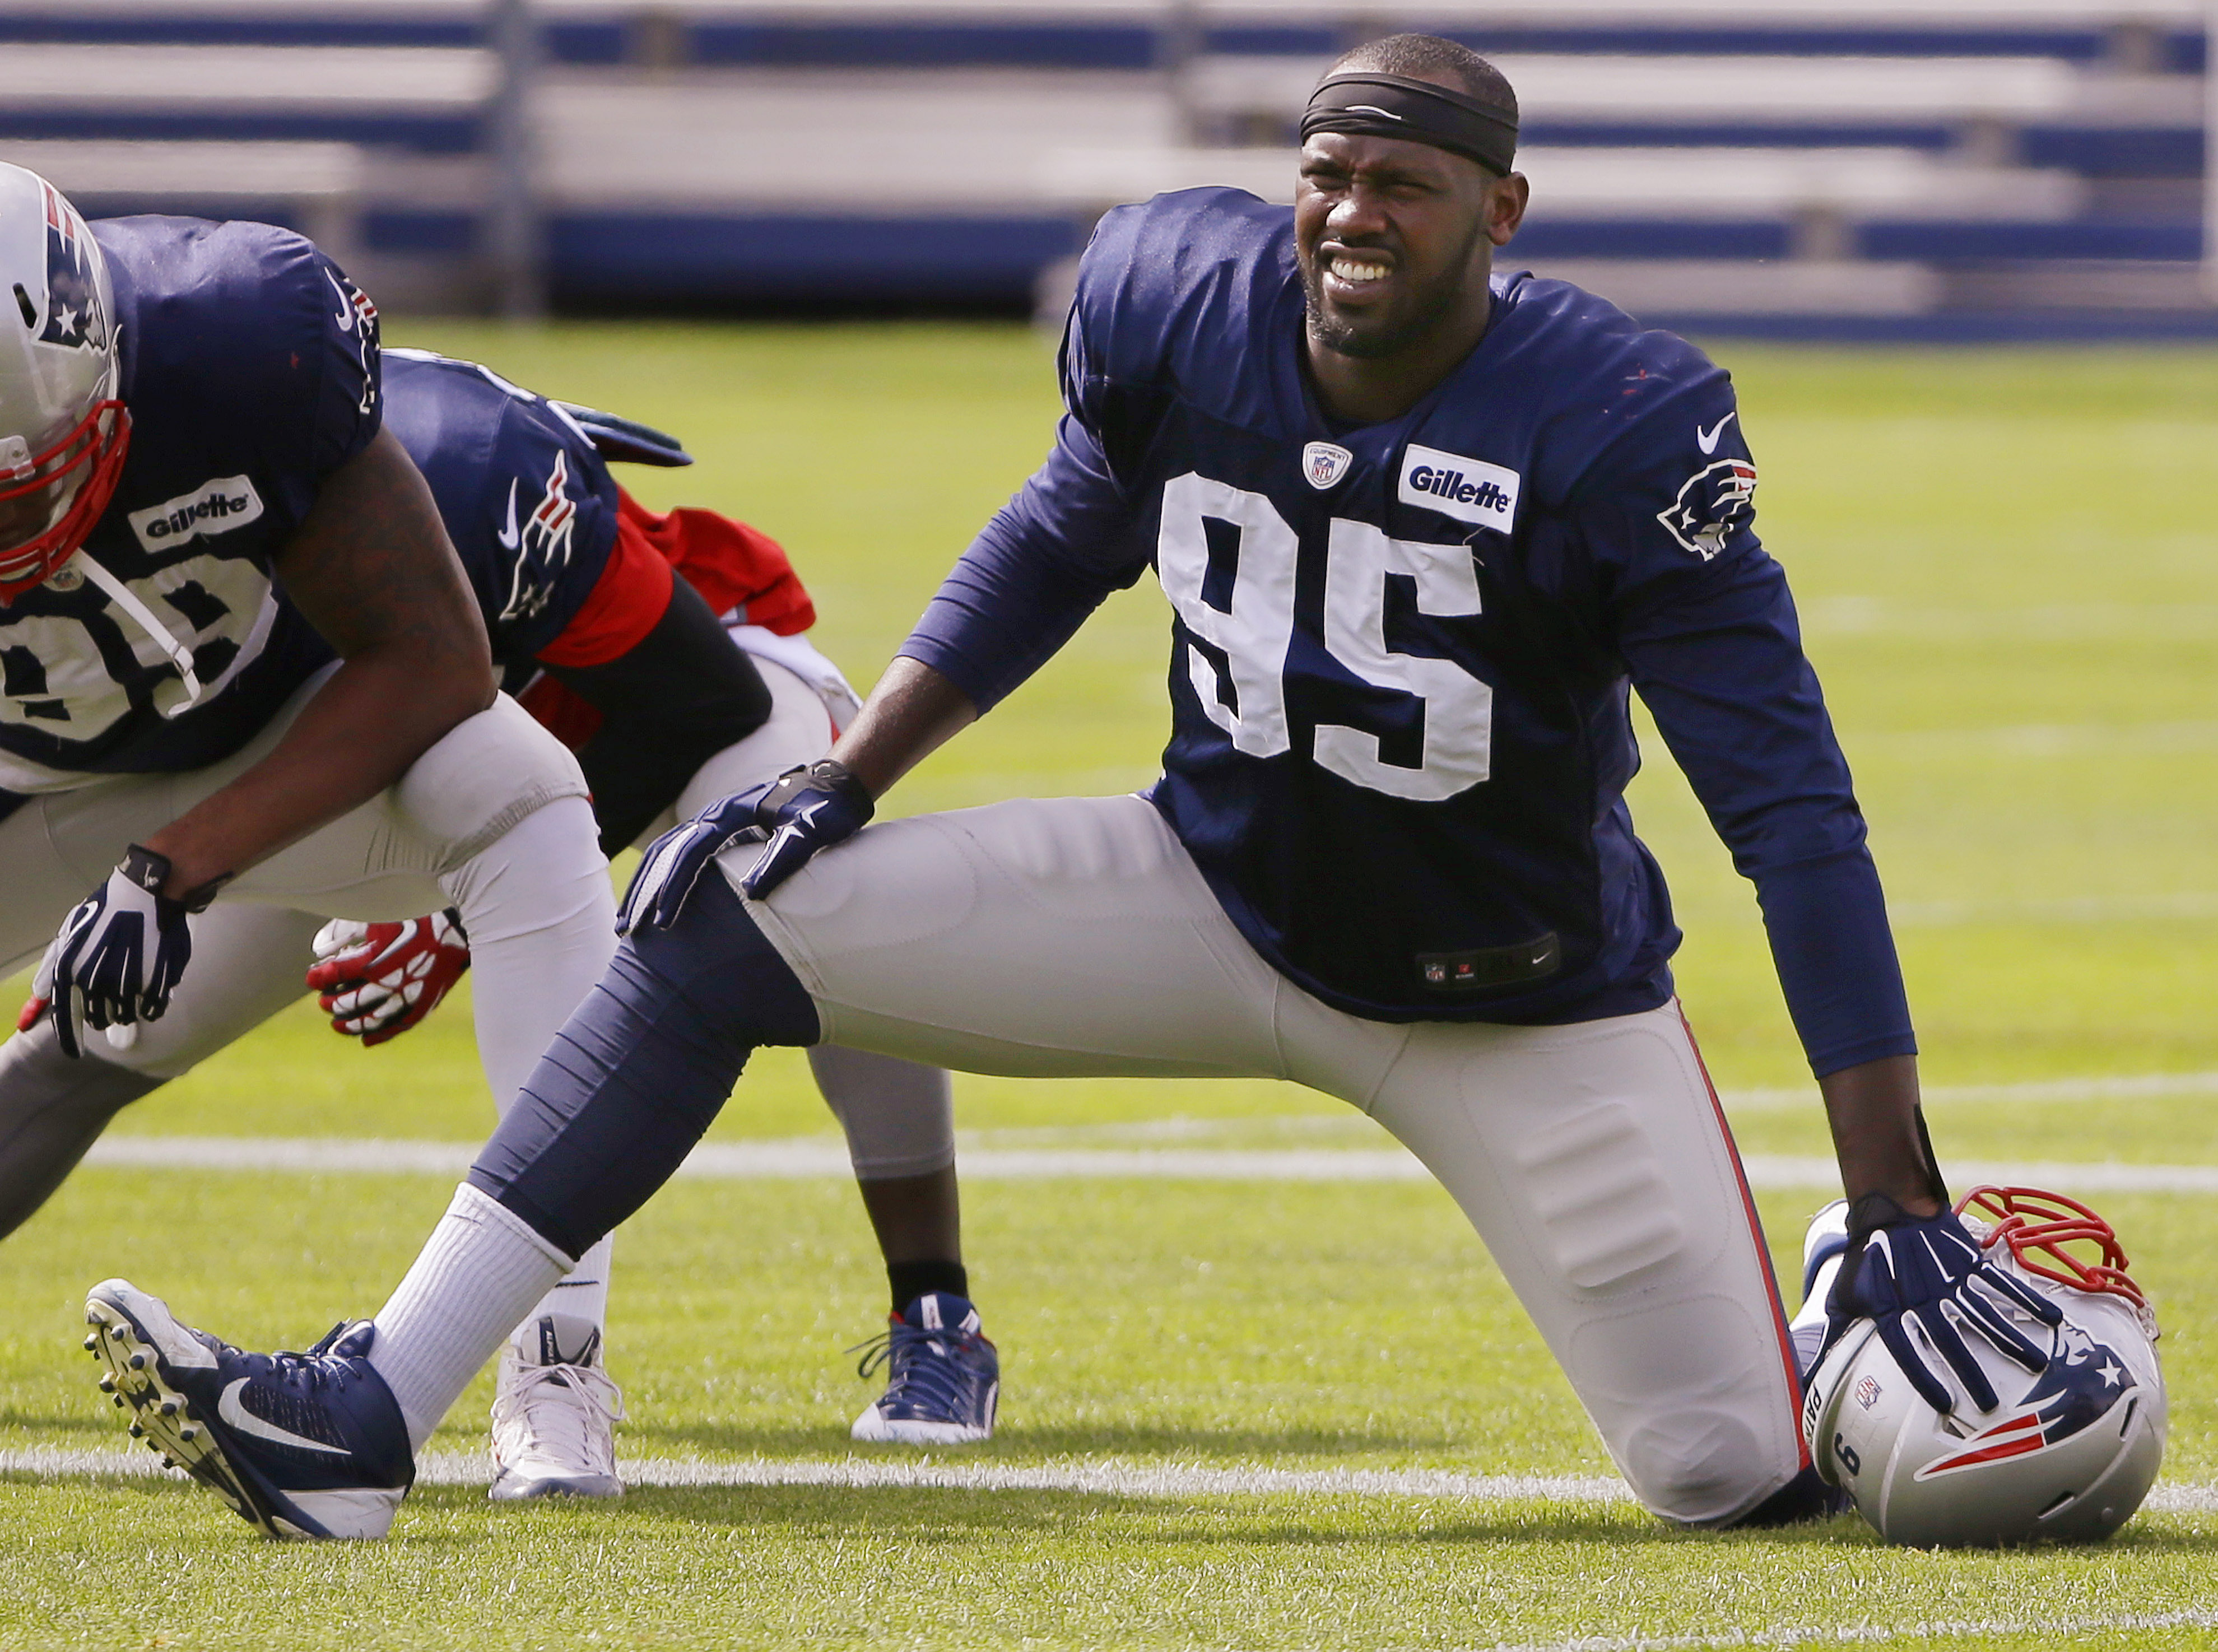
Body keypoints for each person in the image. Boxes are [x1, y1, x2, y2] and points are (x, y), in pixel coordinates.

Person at [80, 35, 2035, 1542]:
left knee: (1726, 1478)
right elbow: (1055, 542)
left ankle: (1892, 1322)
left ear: (1502, 216)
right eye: (1329, 175)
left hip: (1516, 996)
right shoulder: (1184, 299)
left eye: (1407, 189)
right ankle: (372, 1411)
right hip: (1203, 895)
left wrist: (1892, 1180)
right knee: (721, 903)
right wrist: (844, 779)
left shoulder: (1620, 424)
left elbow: (1794, 816)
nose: (1353, 215)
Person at [2, 337, 1000, 1481]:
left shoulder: (472, 473)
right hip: (397, 756)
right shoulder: (169, 508)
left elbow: (697, 706)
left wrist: (442, 922)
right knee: (99, 1033)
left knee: (803, 888)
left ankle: (927, 1312)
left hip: (689, 696)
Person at [0, 165, 612, 1494]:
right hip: (19, 787)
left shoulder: (237, 342)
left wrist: (177, 865)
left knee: (525, 798)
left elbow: (437, 658)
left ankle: (552, 1364)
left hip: (262, 745)